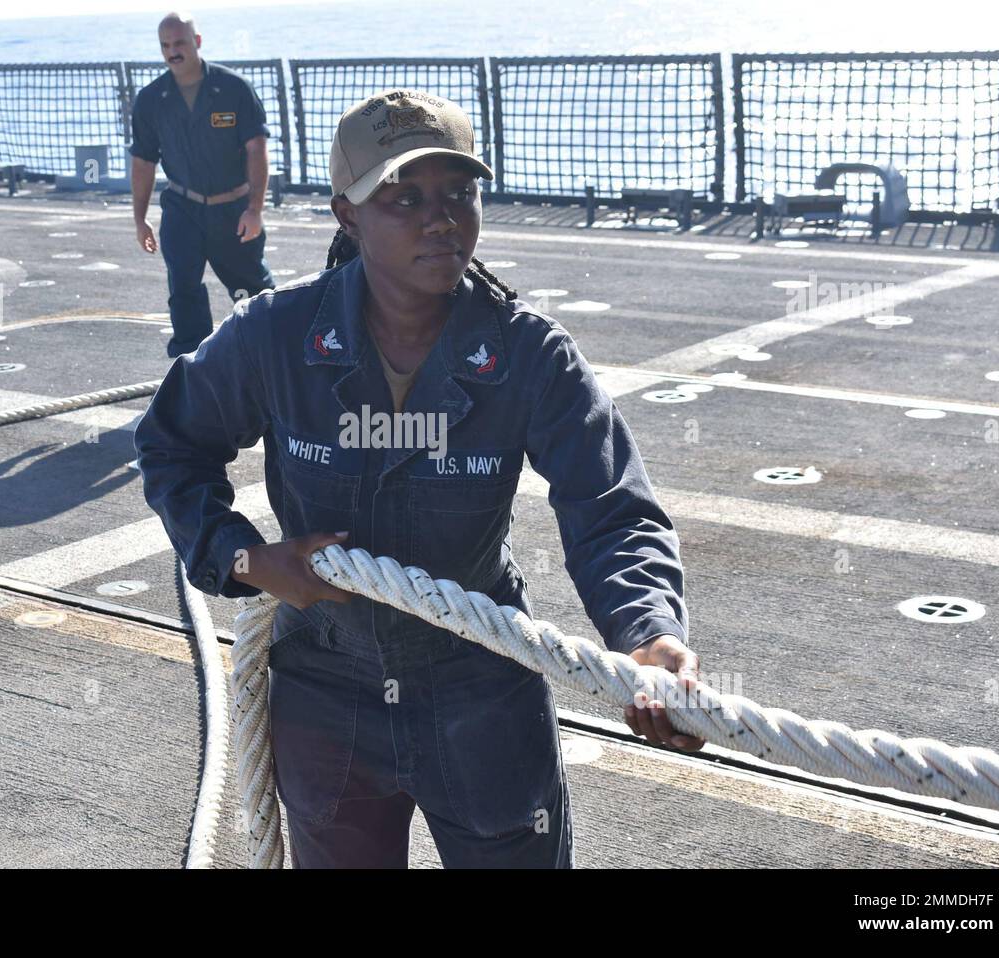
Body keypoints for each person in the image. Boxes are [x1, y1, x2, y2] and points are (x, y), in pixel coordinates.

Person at [134, 88, 701, 869]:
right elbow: (171, 445)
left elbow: (610, 511)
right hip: (325, 697)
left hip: (482, 691)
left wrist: (648, 633)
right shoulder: (274, 336)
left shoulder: (530, 354)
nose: (440, 219)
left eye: (458, 194)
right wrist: (245, 559)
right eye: (403, 198)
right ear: (347, 215)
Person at [130, 11, 275, 358]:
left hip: (233, 209)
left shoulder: (233, 89)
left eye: (179, 42)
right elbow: (143, 162)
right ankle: (191, 372)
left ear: (197, 42)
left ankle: (274, 357)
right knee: (183, 292)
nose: (172, 51)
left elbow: (257, 150)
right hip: (183, 209)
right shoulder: (151, 100)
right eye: (165, 45)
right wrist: (139, 218)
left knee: (252, 292)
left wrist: (255, 210)